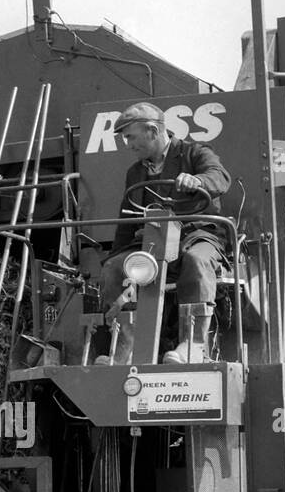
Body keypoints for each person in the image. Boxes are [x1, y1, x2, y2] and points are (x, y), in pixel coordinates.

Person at [95, 101, 232, 365]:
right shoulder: (135, 173)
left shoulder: (194, 152)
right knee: (113, 269)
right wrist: (117, 258)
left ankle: (193, 344)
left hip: (197, 234)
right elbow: (126, 222)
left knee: (196, 260)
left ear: (153, 131)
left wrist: (198, 181)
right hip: (152, 242)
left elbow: (220, 177)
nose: (128, 144)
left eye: (131, 137)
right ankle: (126, 348)